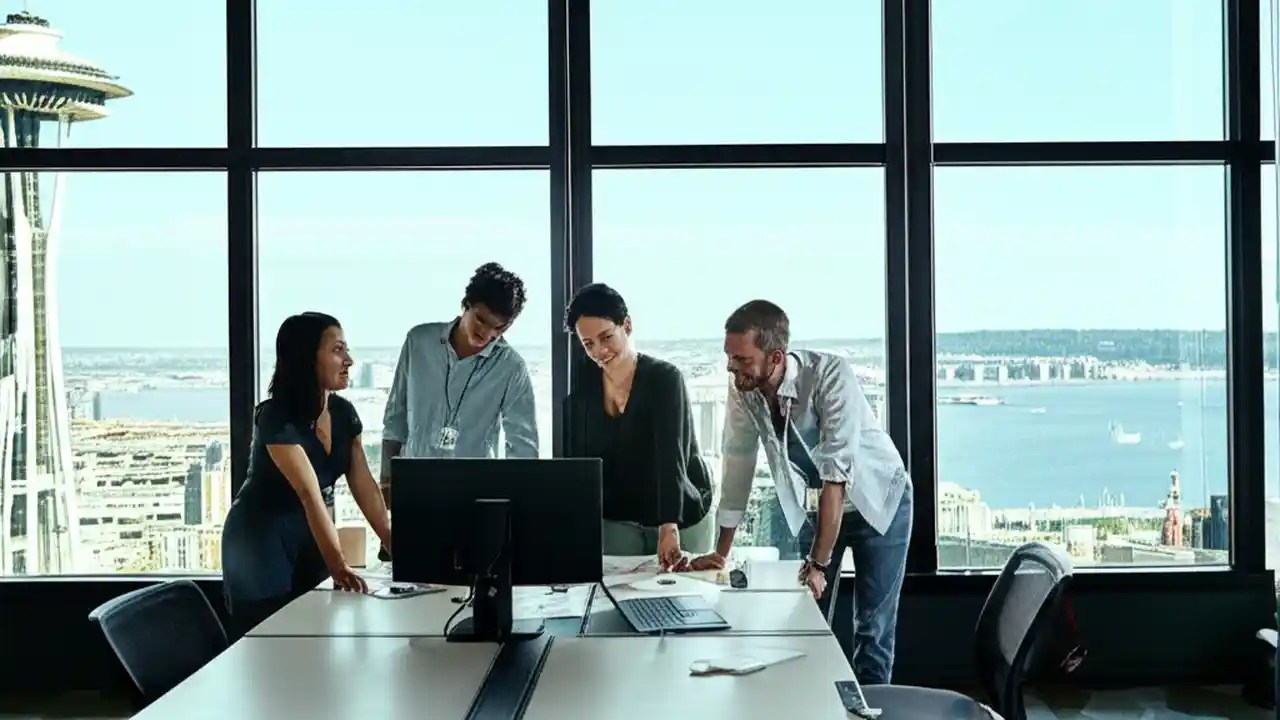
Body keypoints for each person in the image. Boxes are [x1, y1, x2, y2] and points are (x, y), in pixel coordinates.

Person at [694, 299, 912, 686]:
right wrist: (721, 553)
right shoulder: (744, 389)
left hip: (878, 502)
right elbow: (738, 461)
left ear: (775, 356)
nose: (731, 367)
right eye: (729, 357)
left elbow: (836, 477)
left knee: (871, 628)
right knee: (805, 616)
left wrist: (820, 565)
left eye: (741, 359)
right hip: (821, 509)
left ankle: (870, 706)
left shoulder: (830, 375)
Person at [221, 312, 391, 638]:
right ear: (306, 358)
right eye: (338, 350)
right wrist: (339, 565)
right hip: (261, 539)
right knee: (264, 643)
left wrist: (390, 538)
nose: (349, 360)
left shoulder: (344, 414)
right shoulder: (275, 417)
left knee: (317, 633)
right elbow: (308, 492)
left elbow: (363, 484)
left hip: (312, 534)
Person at [563, 283, 715, 567]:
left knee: (685, 599)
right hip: (620, 518)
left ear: (627, 325)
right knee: (620, 600)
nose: (599, 350)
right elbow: (581, 464)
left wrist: (668, 526)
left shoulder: (665, 379)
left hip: (681, 514)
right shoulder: (582, 391)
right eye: (588, 344)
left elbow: (672, 457)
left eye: (606, 337)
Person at [380, 262, 539, 498]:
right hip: (415, 488)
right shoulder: (418, 342)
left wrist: (515, 506)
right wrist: (386, 480)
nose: (487, 333)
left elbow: (523, 448)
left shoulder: (512, 368)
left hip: (476, 495)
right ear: (465, 305)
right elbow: (396, 418)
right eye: (481, 320)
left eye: (498, 327)